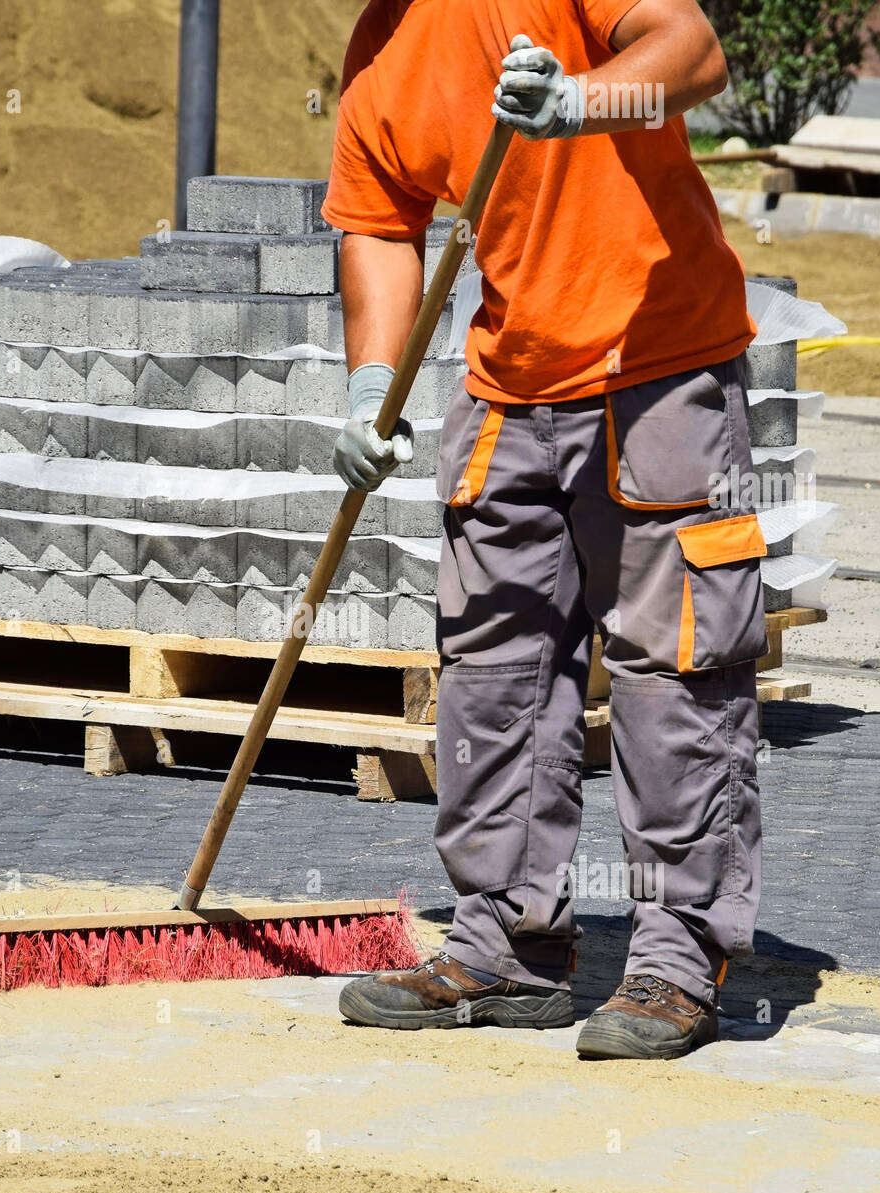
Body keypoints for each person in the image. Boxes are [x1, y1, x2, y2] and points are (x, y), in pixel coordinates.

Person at [325, 0, 767, 1060]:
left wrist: (580, 101)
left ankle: (674, 960)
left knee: (673, 675)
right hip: (508, 384)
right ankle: (503, 947)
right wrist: (370, 384)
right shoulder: (374, 60)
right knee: (494, 673)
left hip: (657, 365)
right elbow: (380, 226)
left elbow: (693, 50)